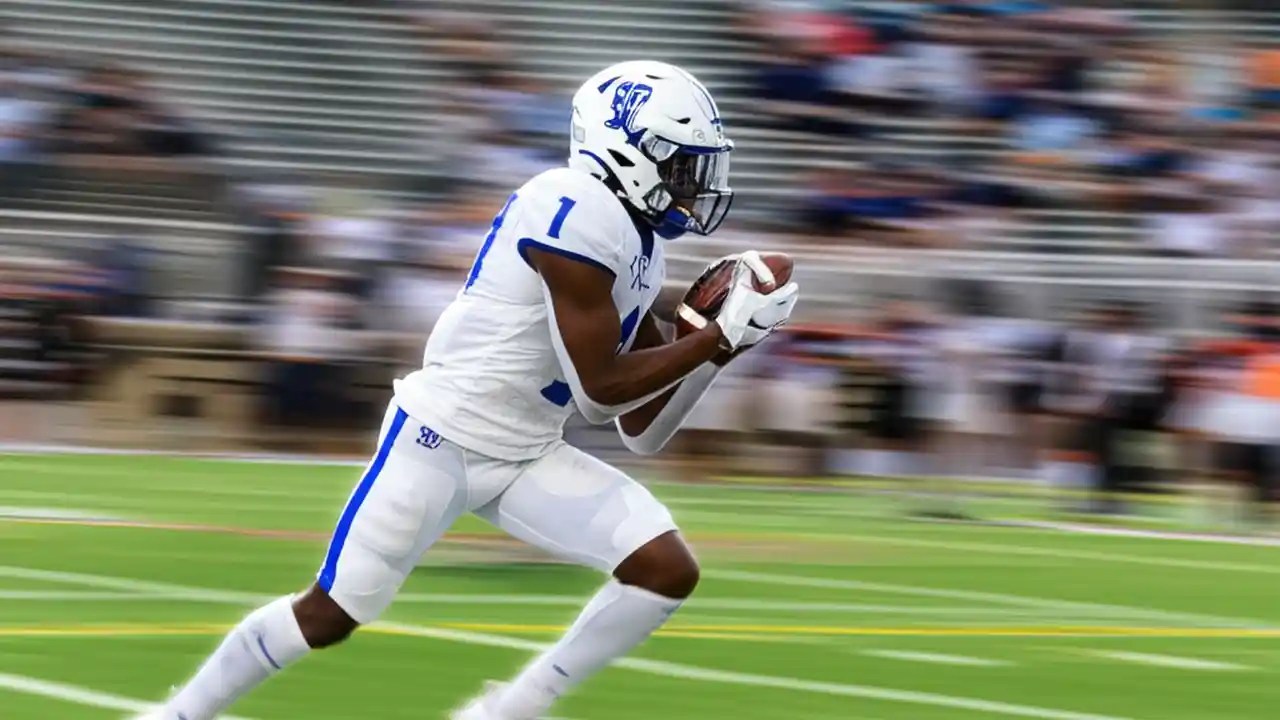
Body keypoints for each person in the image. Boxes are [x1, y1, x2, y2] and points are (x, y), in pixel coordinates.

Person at [133, 60, 799, 720]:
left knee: (664, 568)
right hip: (442, 439)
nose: (690, 187)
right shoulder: (569, 205)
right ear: (626, 148)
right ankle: (178, 715)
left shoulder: (641, 244)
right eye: (680, 165)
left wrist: (720, 348)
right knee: (331, 612)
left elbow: (642, 429)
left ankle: (510, 711)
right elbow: (600, 392)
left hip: (527, 451)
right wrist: (710, 339)